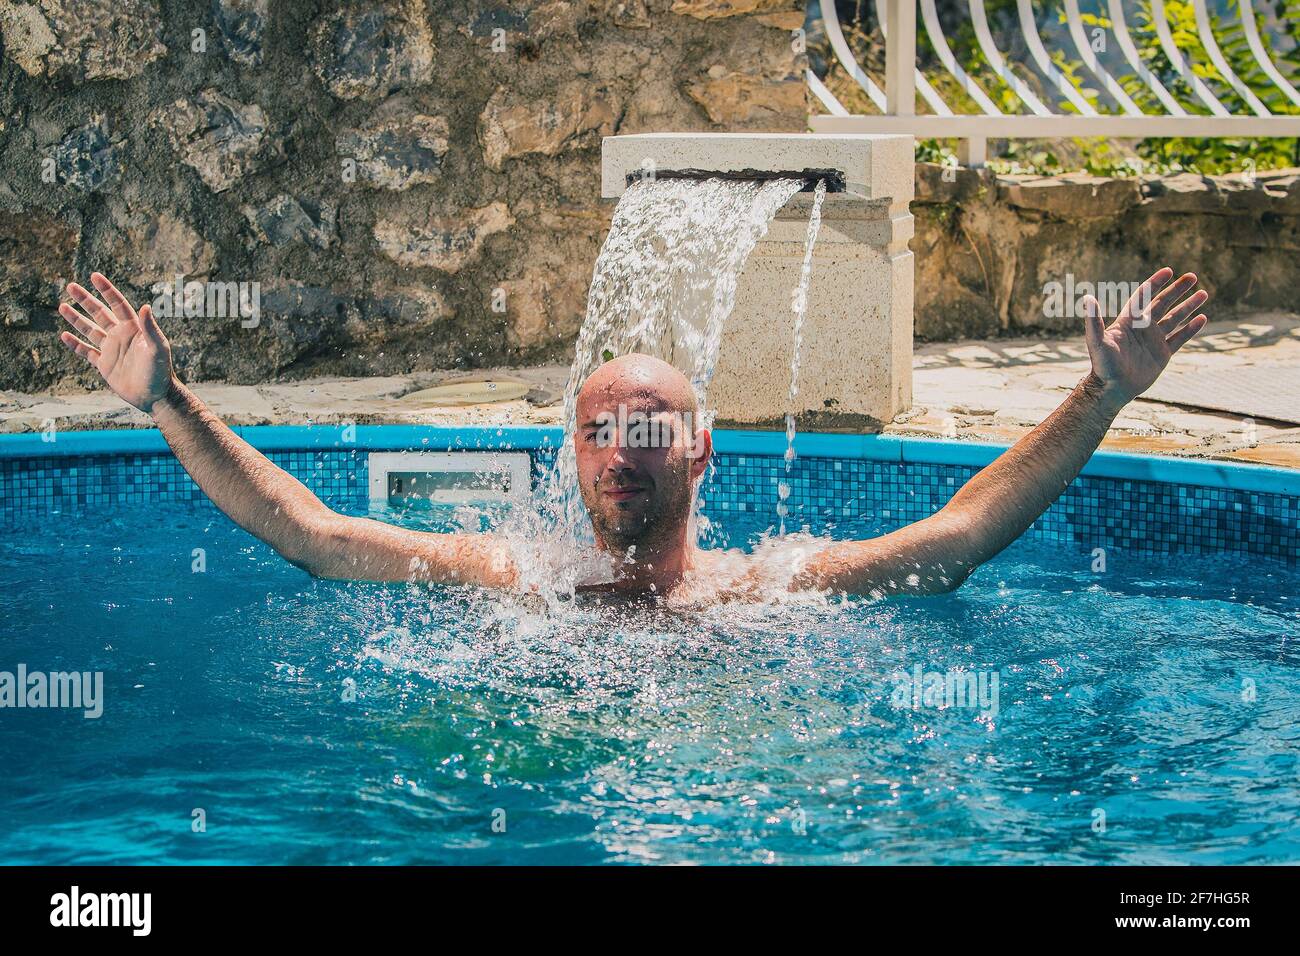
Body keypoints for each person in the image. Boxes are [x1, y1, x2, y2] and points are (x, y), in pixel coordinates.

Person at [57, 269, 1207, 599]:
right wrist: (166, 399)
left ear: (704, 450)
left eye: (649, 427)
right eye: (599, 429)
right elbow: (304, 528)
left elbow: (960, 532)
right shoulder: (505, 575)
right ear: (571, 453)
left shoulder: (769, 589)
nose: (620, 449)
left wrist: (1099, 393)